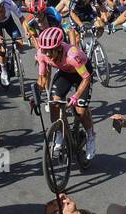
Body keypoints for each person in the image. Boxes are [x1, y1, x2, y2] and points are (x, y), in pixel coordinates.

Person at [34, 25, 97, 160]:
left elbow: (86, 78)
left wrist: (75, 97)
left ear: (59, 47)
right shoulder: (42, 54)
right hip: (65, 73)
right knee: (54, 103)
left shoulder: (72, 54)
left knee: (80, 111)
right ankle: (59, 133)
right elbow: (43, 78)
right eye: (45, 50)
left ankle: (91, 136)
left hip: (82, 74)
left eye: (51, 51)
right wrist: (36, 94)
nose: (48, 54)